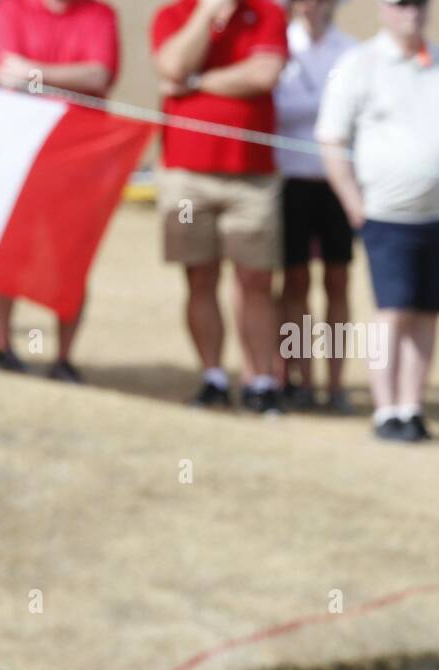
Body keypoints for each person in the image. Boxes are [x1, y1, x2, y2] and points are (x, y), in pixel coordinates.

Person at [317, 0, 439, 442]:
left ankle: (411, 407)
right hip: (388, 216)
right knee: (392, 312)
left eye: (419, 5)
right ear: (384, 10)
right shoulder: (359, 64)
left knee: (428, 312)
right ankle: (385, 411)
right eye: (401, 4)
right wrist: (353, 200)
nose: (412, 13)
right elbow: (332, 137)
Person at [152, 0, 288, 412]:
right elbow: (172, 66)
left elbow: (263, 74)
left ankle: (260, 380)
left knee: (256, 280)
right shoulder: (173, 15)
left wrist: (197, 80)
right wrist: (204, 15)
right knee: (199, 277)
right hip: (187, 173)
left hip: (251, 175)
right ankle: (212, 376)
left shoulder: (267, 13)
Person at [0, 0, 120, 382]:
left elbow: (98, 76)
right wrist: (60, 77)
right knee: (8, 250)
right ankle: (2, 347)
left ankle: (63, 359)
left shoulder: (99, 14)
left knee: (69, 259)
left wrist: (34, 72)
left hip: (79, 160)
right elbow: (4, 75)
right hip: (19, 153)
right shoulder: (10, 9)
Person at [273, 0, 355, 413]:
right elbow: (274, 109)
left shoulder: (352, 51)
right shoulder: (279, 45)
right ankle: (297, 377)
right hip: (291, 180)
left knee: (338, 282)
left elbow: (355, 116)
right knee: (295, 282)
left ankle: (336, 383)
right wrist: (328, 111)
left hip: (337, 183)